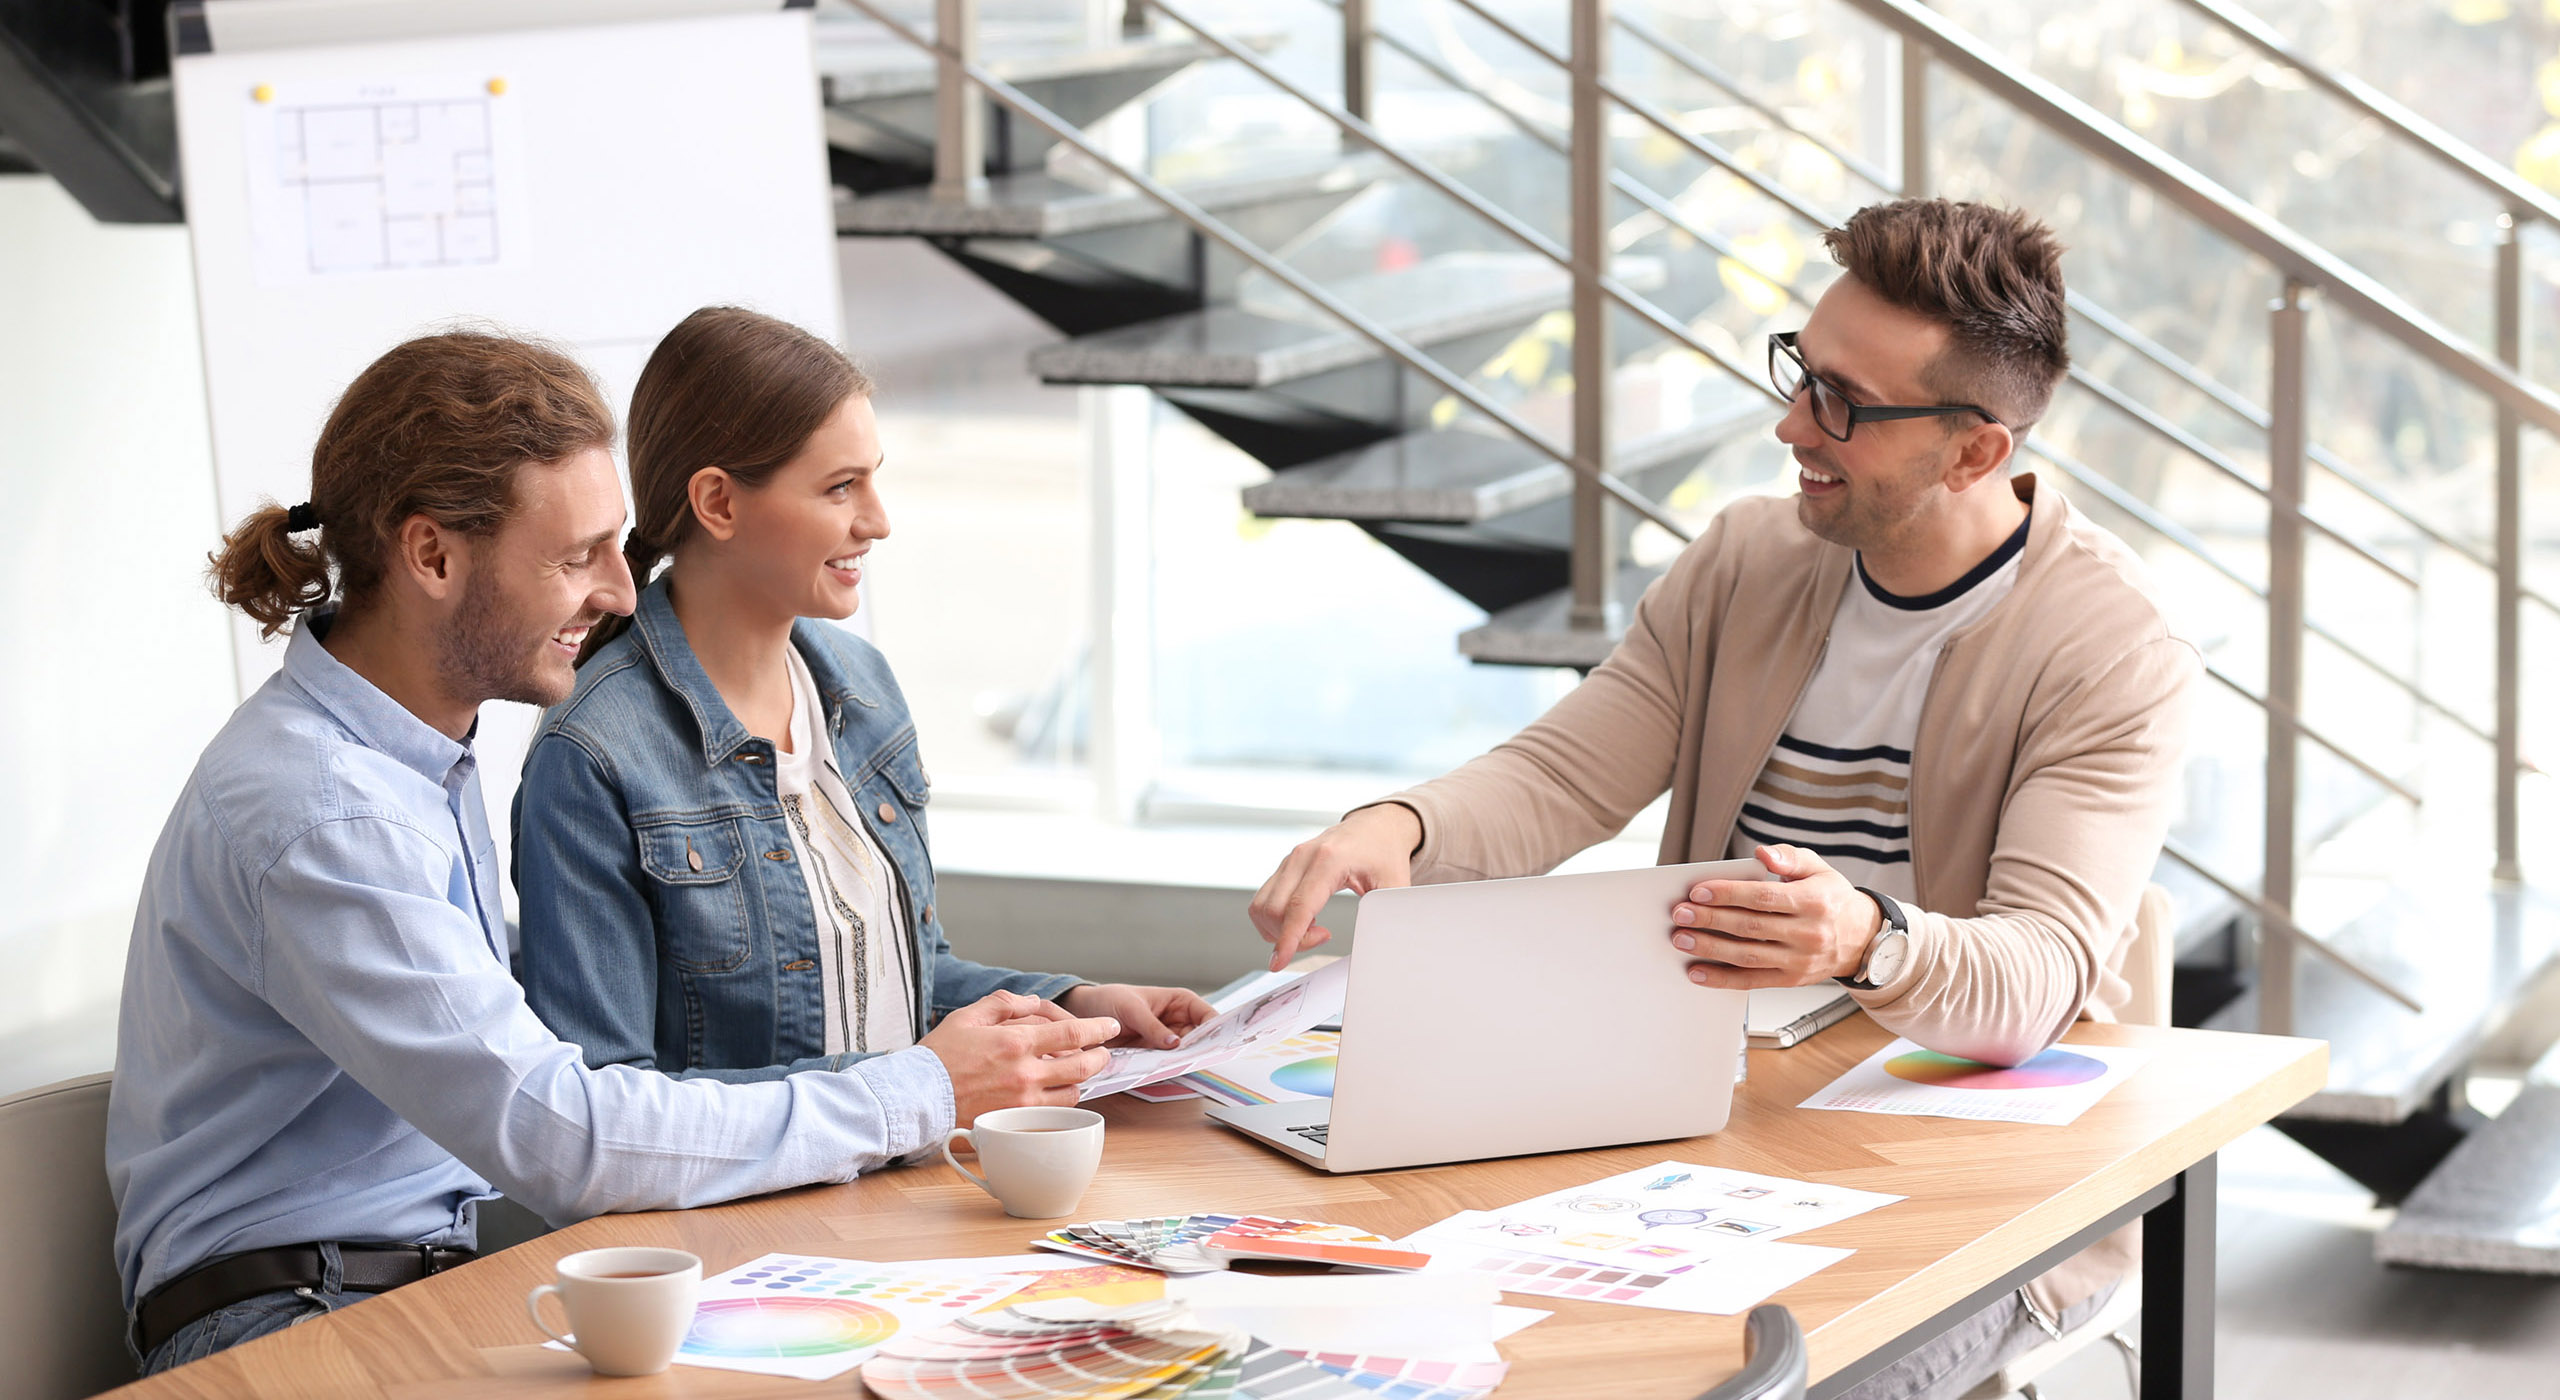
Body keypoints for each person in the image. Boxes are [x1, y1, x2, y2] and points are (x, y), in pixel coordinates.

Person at [1247, 199, 2199, 1399]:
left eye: (1844, 403)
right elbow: (1560, 774)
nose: (1792, 421)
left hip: (1979, 1183)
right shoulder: (1746, 558)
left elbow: (2036, 978)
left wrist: (1866, 937)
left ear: (1972, 450)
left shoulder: (2113, 647)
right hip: (1710, 1117)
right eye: (1802, 371)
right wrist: (1398, 829)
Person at [107, 331, 1122, 1376]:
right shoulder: (329, 814)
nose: (622, 592)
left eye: (614, 545)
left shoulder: (408, 761)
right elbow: (562, 1136)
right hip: (280, 1325)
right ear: (432, 556)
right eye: (573, 555)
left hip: (402, 1279)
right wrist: (915, 1092)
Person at [511, 306, 1210, 1083]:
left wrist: (1075, 1004)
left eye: (874, 479)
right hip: (752, 1208)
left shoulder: (861, 686)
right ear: (718, 503)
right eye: (842, 488)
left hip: (897, 1180)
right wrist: (906, 1090)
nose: (878, 521)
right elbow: (608, 1103)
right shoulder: (594, 756)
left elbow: (897, 983)